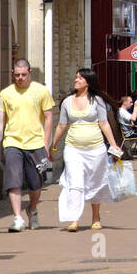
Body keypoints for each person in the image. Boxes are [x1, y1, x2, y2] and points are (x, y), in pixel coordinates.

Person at [49, 69, 123, 232]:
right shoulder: (67, 102)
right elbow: (62, 125)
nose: (76, 80)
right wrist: (52, 145)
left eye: (80, 78)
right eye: (76, 77)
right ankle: (74, 218)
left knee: (95, 182)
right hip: (73, 149)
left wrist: (113, 144)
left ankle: (96, 216)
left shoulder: (97, 101)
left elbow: (104, 123)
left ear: (88, 82)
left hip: (95, 149)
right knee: (75, 183)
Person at [0, 59, 55, 232]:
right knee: (14, 180)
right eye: (17, 74)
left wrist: (46, 143)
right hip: (13, 142)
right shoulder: (5, 94)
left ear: (30, 72)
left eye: (23, 74)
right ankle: (17, 218)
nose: (20, 78)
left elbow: (49, 117)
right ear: (13, 73)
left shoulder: (41, 91)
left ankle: (32, 209)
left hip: (36, 143)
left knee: (36, 184)